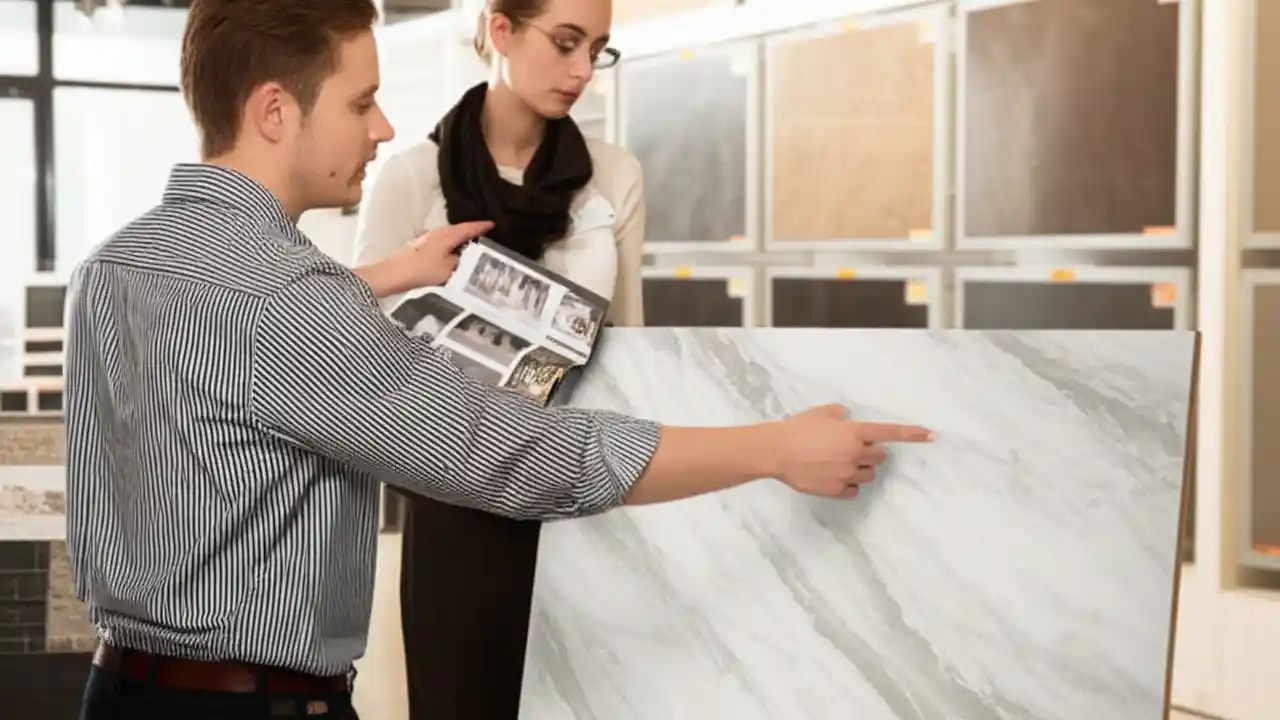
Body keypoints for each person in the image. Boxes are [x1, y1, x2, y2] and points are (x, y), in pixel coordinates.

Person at [63, 1, 933, 718]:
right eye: (362, 103)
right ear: (275, 112)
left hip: (116, 691)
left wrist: (383, 277)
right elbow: (507, 453)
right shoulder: (292, 299)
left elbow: (241, 347)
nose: (384, 126)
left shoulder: (113, 270)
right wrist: (772, 450)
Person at [349, 0, 649, 715]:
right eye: (566, 43)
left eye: (597, 50)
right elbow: (361, 351)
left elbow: (631, 343)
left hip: (579, 487)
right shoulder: (411, 178)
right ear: (501, 28)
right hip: (456, 498)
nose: (581, 71)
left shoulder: (613, 177)